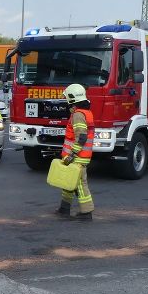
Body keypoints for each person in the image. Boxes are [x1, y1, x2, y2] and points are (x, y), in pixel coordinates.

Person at [58, 83, 94, 221]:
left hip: (77, 157)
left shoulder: (78, 115)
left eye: (67, 98)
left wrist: (72, 154)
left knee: (79, 185)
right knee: (68, 181)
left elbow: (81, 137)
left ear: (72, 99)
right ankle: (64, 208)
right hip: (78, 156)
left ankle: (86, 213)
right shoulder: (83, 113)